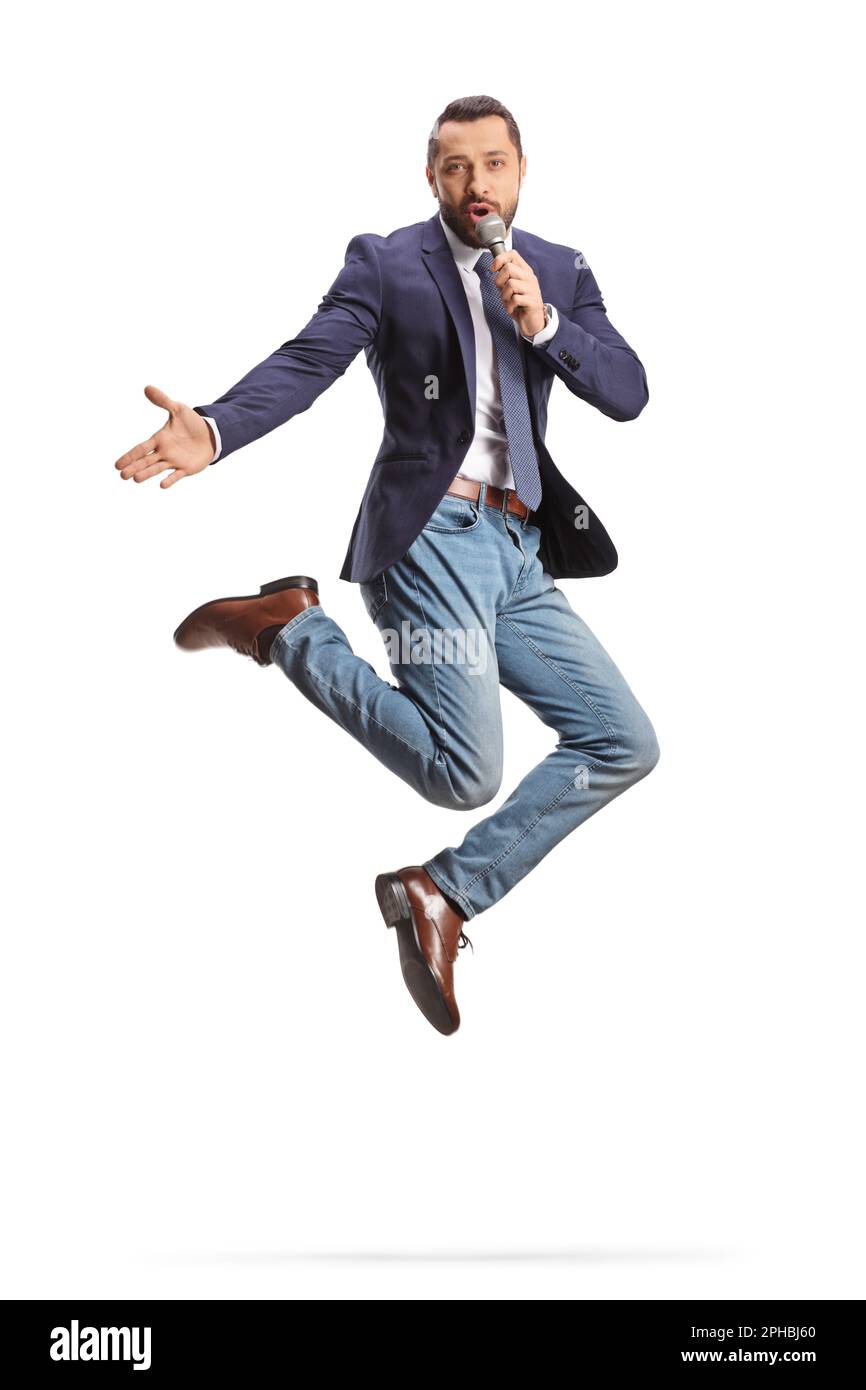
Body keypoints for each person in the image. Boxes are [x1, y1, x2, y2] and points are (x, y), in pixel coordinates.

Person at [114, 94, 660, 1037]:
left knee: (623, 742)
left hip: (521, 548)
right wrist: (214, 425)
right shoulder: (388, 261)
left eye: (493, 163)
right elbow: (309, 359)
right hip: (430, 536)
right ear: (431, 177)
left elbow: (628, 392)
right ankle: (294, 635)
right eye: (455, 165)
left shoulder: (563, 272)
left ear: (521, 173)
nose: (475, 182)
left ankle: (443, 892)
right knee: (463, 776)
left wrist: (545, 328)